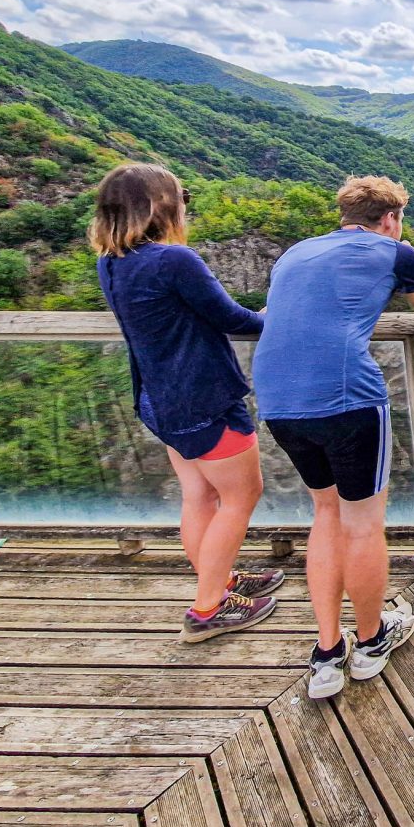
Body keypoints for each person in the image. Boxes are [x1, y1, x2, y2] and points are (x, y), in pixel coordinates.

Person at [252, 176, 414, 699]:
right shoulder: (395, 251)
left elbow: (281, 315)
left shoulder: (295, 253)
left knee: (326, 515)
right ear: (390, 219)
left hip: (277, 398)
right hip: (348, 398)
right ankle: (370, 642)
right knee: (362, 525)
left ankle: (326, 651)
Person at [90, 163, 282, 642]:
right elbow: (233, 320)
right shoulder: (174, 261)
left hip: (161, 400)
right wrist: (276, 313)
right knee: (242, 496)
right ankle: (206, 610)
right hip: (204, 399)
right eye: (181, 197)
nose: (184, 205)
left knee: (200, 495)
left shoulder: (110, 262)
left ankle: (218, 582)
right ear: (160, 205)